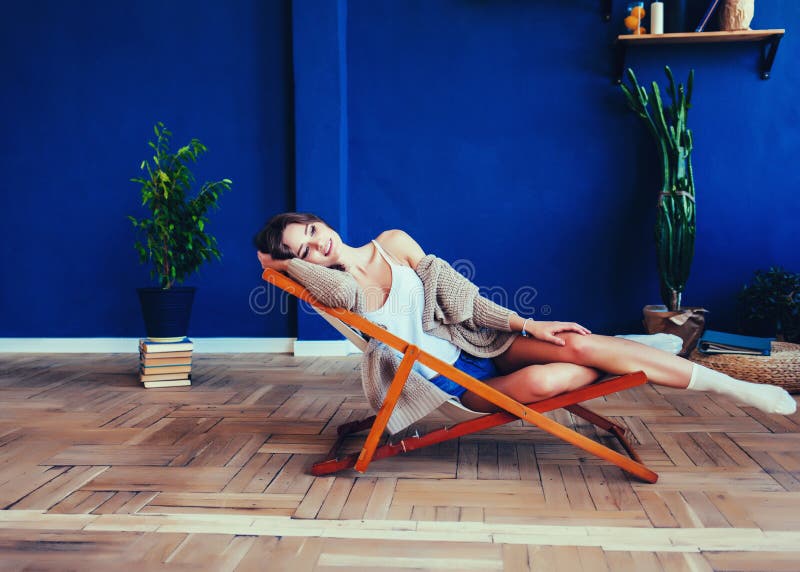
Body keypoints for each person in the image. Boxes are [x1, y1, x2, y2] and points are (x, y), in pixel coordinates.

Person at [254, 212, 796, 417]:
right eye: (300, 250)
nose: (315, 247)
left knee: (575, 344)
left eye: (312, 233)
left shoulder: (395, 242)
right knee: (558, 374)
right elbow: (308, 276)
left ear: (322, 221)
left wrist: (525, 323)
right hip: (454, 384)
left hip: (479, 343)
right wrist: (277, 260)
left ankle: (732, 387)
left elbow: (460, 298)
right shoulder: (339, 293)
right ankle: (629, 349)